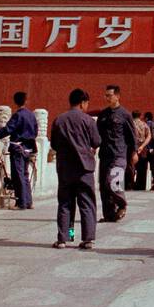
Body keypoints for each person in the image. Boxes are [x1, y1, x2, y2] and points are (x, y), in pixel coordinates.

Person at [52, 87, 100, 250]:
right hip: (84, 168)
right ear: (83, 102)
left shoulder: (59, 119)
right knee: (86, 203)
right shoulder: (88, 120)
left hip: (65, 168)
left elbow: (54, 144)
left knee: (65, 203)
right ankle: (87, 239)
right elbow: (96, 141)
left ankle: (65, 238)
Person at [96, 84, 137, 222]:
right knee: (104, 186)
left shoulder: (125, 114)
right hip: (105, 154)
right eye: (105, 95)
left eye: (109, 95)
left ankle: (122, 204)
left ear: (118, 96)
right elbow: (97, 135)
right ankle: (109, 215)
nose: (107, 98)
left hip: (119, 155)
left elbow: (132, 136)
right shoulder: (103, 114)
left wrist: (134, 153)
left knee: (113, 182)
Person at [0, 91, 38, 209]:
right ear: (25, 100)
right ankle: (28, 202)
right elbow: (36, 131)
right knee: (25, 174)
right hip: (28, 148)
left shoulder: (18, 115)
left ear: (15, 102)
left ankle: (21, 202)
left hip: (18, 148)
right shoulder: (31, 115)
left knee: (18, 175)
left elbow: (9, 128)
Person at [131, 110, 153, 190]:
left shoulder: (130, 124)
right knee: (142, 167)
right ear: (140, 116)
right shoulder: (144, 124)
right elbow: (149, 136)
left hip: (132, 147)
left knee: (131, 166)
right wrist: (142, 146)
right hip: (143, 148)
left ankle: (130, 184)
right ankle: (141, 185)